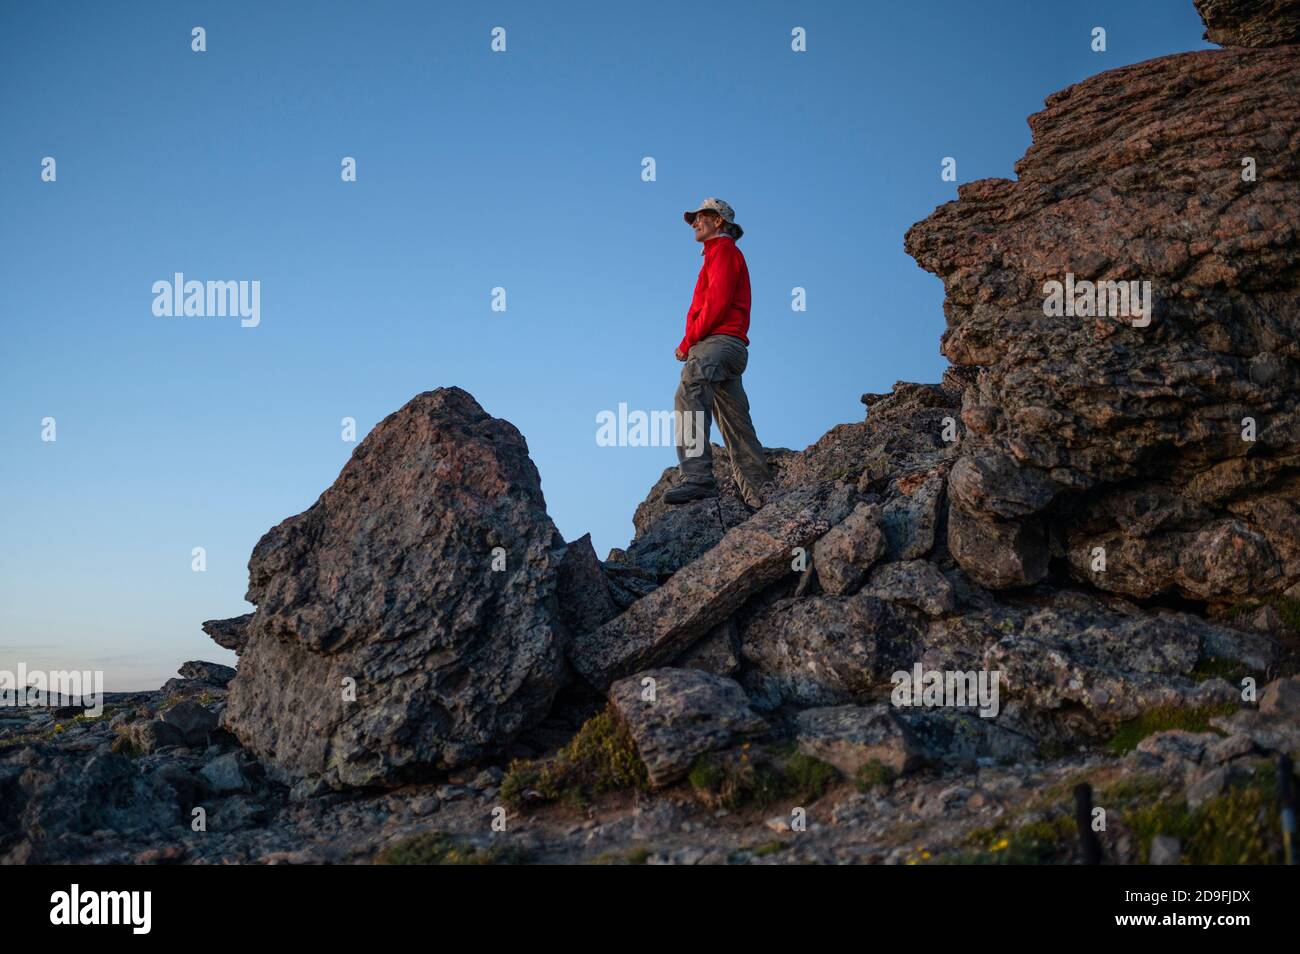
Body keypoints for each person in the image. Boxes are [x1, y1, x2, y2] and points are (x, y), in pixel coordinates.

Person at [664, 198, 774, 508]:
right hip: (731, 348)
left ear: (719, 222)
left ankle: (698, 477)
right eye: (694, 219)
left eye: (701, 217)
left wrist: (688, 342)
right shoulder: (719, 254)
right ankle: (761, 497)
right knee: (735, 423)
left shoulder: (724, 251)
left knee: (689, 392)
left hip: (718, 344)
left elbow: (717, 301)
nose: (695, 223)